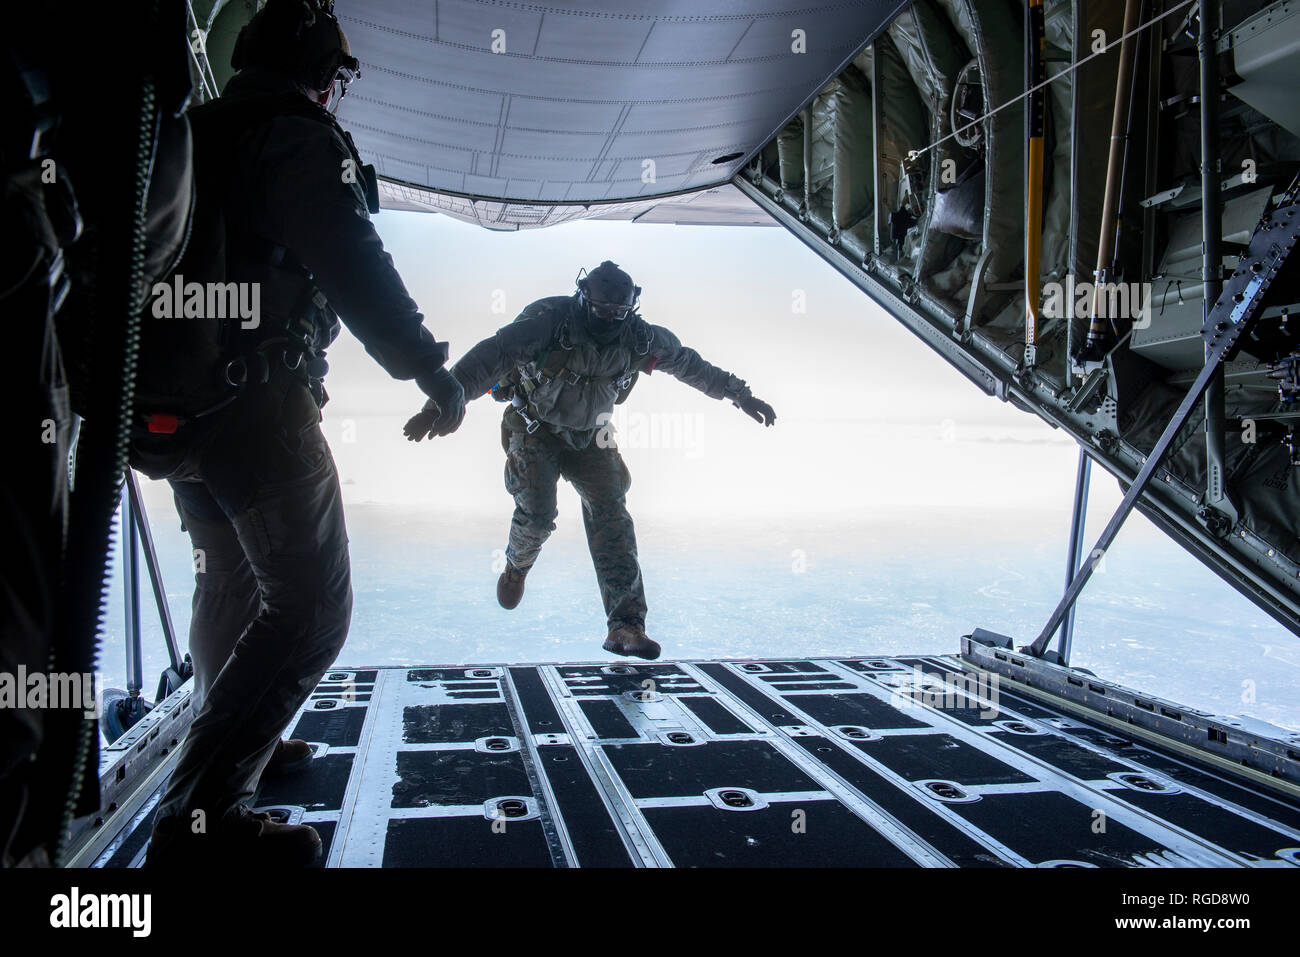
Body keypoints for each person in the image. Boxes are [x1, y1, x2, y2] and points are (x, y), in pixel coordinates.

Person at [135, 0, 465, 867]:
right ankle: (202, 822)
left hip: (177, 417)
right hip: (257, 415)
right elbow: (351, 257)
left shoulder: (193, 130)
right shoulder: (293, 137)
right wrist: (430, 367)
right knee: (314, 609)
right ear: (324, 75)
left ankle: (239, 737)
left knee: (233, 587)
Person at [406, 261, 776, 661]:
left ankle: (626, 626)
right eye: (601, 309)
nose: (609, 318)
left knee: (612, 515)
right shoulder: (549, 325)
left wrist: (739, 393)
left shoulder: (639, 339)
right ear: (583, 297)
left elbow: (689, 364)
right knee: (538, 515)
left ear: (630, 309)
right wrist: (440, 403)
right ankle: (517, 566)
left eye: (618, 312)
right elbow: (490, 358)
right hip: (534, 429)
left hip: (591, 438)